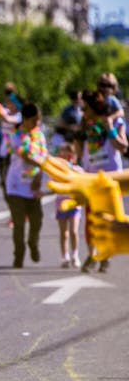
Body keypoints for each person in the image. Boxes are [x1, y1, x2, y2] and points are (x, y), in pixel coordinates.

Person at [76, 89, 128, 272]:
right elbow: (80, 151)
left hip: (112, 179)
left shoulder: (114, 122)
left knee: (111, 220)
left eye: (86, 109)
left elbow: (123, 147)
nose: (83, 113)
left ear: (94, 108)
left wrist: (109, 128)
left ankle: (105, 254)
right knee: (91, 220)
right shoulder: (84, 125)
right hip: (91, 178)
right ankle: (93, 254)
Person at [3, 102, 48, 268]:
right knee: (19, 223)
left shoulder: (40, 136)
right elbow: (25, 155)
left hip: (33, 186)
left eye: (39, 120)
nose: (37, 124)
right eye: (34, 120)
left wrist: (39, 177)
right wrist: (41, 166)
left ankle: (33, 242)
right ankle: (19, 254)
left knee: (37, 220)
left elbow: (44, 158)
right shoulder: (16, 136)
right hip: (16, 186)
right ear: (25, 119)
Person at [53, 143, 83, 268]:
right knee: (64, 232)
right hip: (61, 204)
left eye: (68, 154)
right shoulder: (57, 171)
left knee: (74, 231)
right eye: (62, 154)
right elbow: (53, 185)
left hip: (74, 204)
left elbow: (83, 181)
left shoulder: (78, 170)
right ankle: (65, 256)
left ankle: (75, 255)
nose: (65, 156)